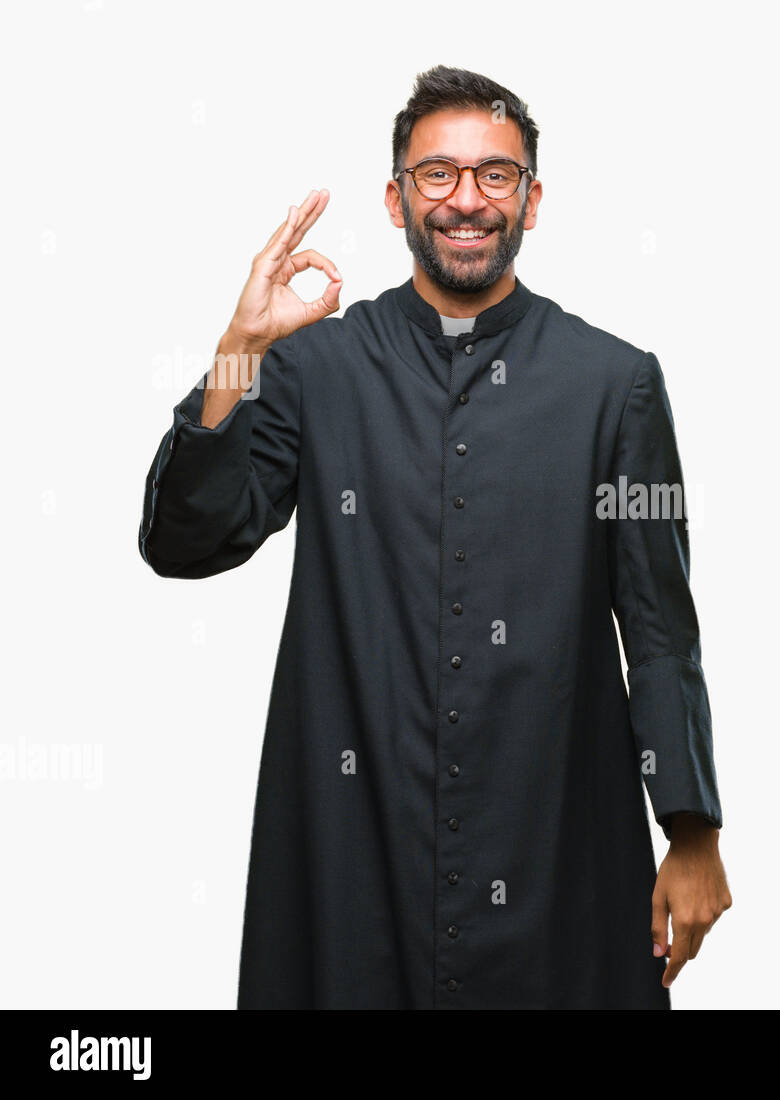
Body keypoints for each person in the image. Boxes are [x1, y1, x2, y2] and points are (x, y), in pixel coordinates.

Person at [137, 64, 730, 1008]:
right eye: (438, 174)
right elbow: (186, 542)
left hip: (555, 842)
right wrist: (240, 347)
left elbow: (659, 625)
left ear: (532, 202)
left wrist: (692, 829)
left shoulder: (617, 385)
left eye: (496, 175)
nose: (467, 200)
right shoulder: (312, 368)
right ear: (396, 199)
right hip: (356, 850)